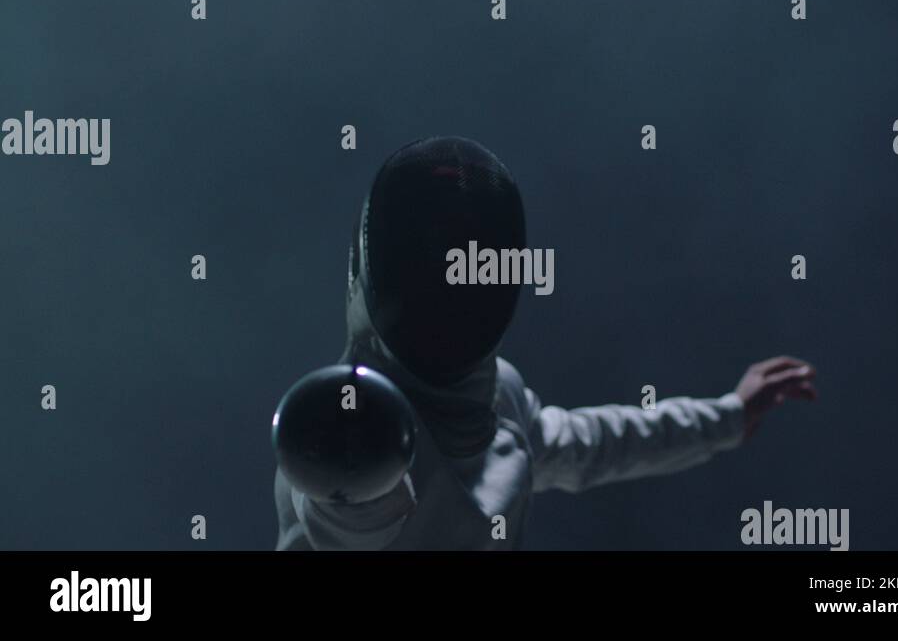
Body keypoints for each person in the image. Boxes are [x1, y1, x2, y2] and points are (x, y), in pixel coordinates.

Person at [273, 136, 818, 550]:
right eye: (431, 262)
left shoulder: (500, 395)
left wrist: (729, 414)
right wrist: (361, 472)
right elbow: (351, 515)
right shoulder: (342, 428)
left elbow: (593, 444)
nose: (452, 285)